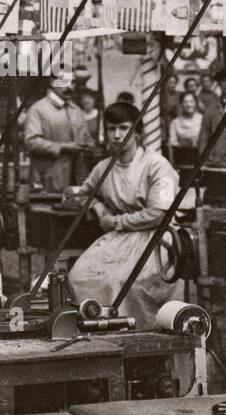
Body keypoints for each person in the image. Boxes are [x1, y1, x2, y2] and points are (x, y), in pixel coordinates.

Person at [66, 102, 183, 323]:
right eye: (111, 129)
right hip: (118, 239)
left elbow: (159, 213)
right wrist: (99, 209)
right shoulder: (104, 167)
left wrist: (117, 221)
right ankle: (100, 334)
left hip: (155, 238)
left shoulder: (156, 165)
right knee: (79, 276)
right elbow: (80, 195)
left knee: (122, 282)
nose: (117, 135)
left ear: (137, 132)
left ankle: (135, 335)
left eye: (124, 128)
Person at [24, 70, 92, 191]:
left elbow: (86, 137)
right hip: (48, 180)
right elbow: (31, 142)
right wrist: (63, 147)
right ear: (52, 82)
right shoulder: (37, 109)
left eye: (73, 82)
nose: (70, 87)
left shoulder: (76, 110)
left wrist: (89, 145)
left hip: (77, 178)